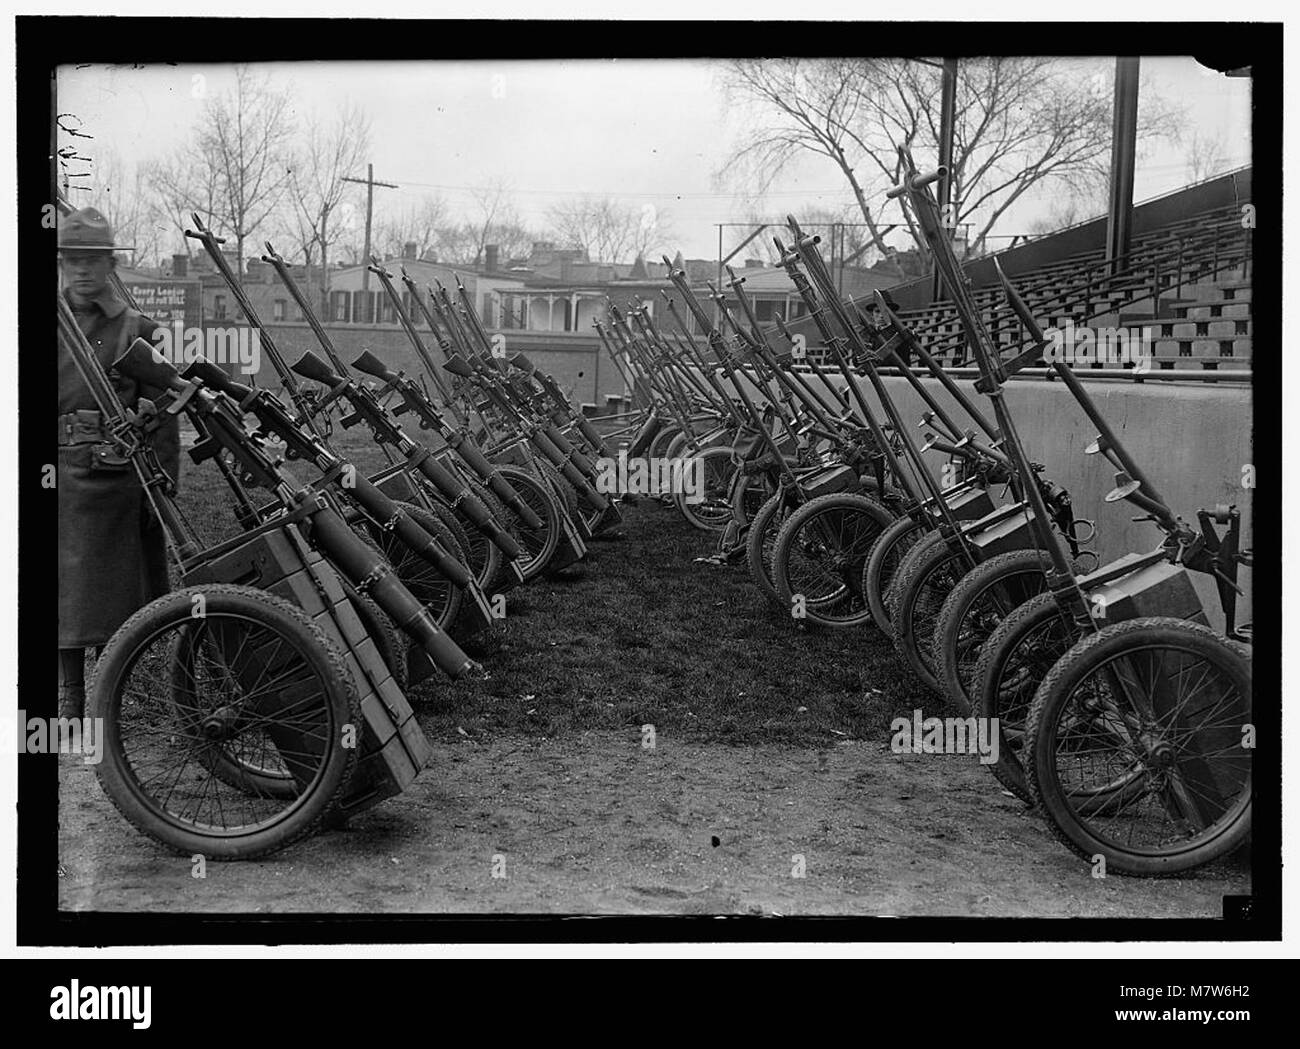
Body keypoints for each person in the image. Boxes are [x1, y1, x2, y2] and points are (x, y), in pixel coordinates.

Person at [57, 207, 179, 718]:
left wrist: (164, 482)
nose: (82, 270)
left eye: (92, 260)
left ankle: (107, 689)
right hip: (58, 476)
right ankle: (70, 694)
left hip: (114, 476)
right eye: (71, 260)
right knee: (60, 588)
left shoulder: (138, 328)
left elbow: (167, 409)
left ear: (110, 264)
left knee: (107, 595)